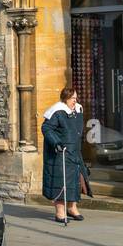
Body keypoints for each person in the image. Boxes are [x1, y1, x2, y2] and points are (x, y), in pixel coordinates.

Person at [42, 86, 91, 222]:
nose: (75, 100)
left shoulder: (77, 110)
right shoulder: (57, 111)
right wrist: (56, 143)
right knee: (61, 181)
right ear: (65, 99)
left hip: (74, 151)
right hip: (61, 153)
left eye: (75, 98)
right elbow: (46, 128)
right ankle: (60, 212)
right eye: (72, 98)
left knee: (76, 180)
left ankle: (72, 208)